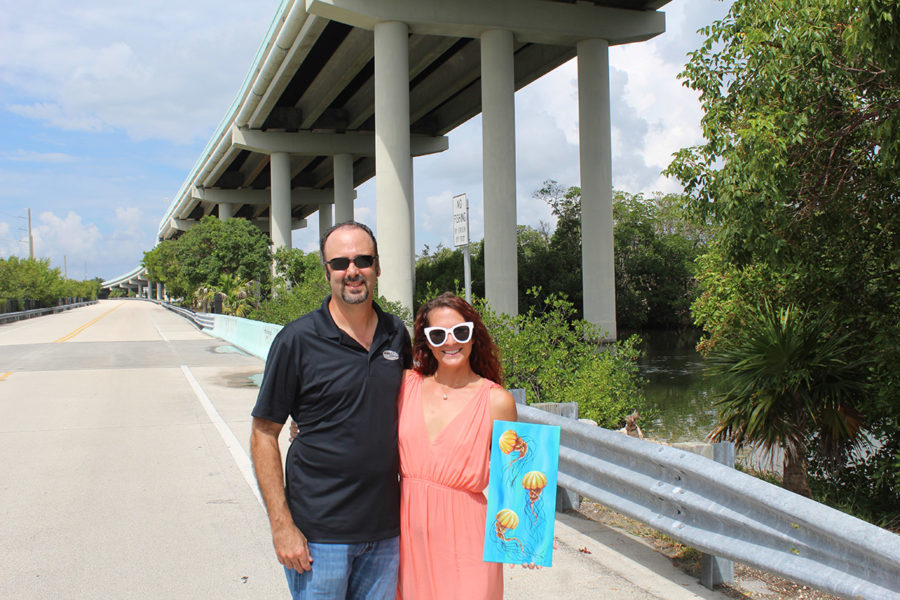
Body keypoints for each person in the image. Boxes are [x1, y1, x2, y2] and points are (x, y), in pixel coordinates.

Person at [249, 221, 411, 600]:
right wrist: (281, 526)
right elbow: (263, 433)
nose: (352, 271)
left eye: (362, 260)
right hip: (319, 535)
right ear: (327, 272)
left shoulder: (396, 334)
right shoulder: (297, 340)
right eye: (340, 263)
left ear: (377, 267)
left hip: (386, 532)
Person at [396, 292, 518, 599]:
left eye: (460, 332)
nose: (450, 342)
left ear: (474, 335)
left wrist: (528, 538)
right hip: (409, 541)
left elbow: (513, 477)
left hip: (468, 542)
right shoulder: (404, 386)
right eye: (438, 335)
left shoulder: (497, 401)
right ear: (427, 342)